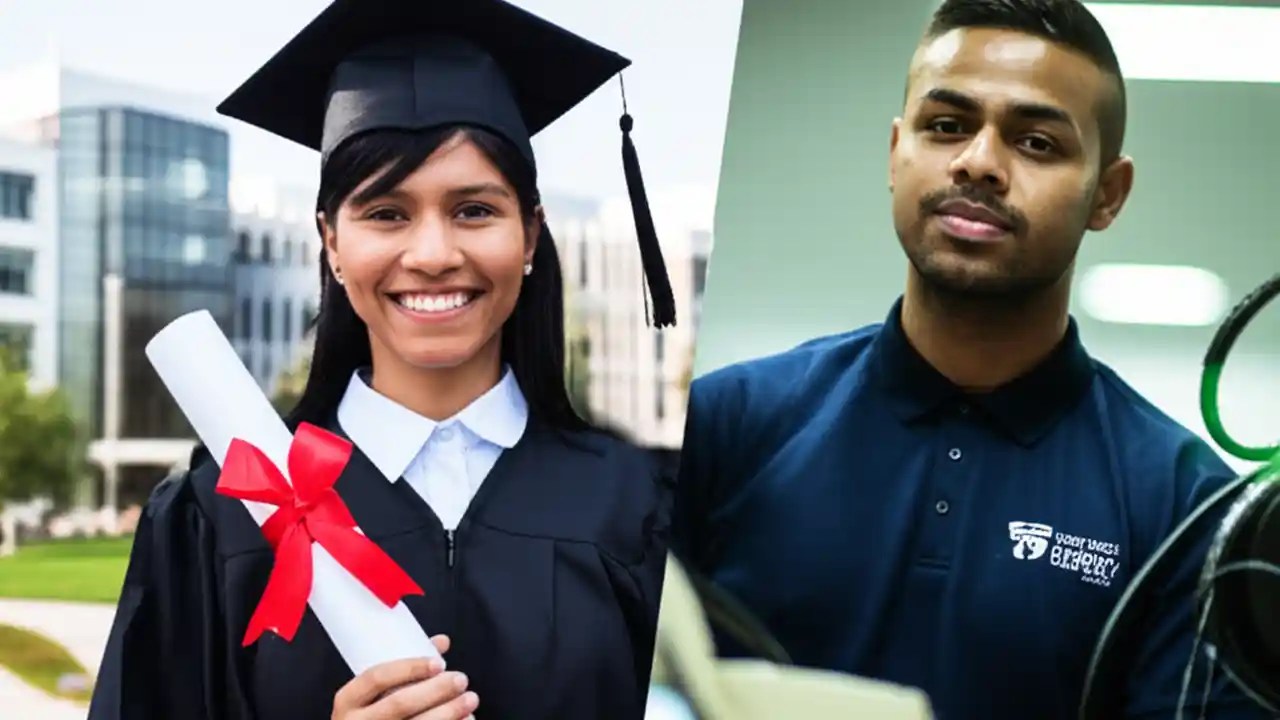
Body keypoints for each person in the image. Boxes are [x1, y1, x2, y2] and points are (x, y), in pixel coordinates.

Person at [671, 1, 1267, 719]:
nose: (979, 162)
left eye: (1037, 142)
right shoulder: (716, 427)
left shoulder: (1188, 506)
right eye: (947, 126)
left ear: (1107, 194)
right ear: (897, 153)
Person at [88, 1, 678, 719]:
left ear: (530, 236)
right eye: (386, 213)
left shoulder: (645, 508)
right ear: (331, 244)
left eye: (474, 210)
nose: (432, 255)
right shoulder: (221, 518)